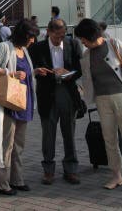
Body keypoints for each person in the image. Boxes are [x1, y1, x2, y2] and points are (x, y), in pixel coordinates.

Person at [74, 18, 122, 194]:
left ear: (91, 35)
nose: (81, 42)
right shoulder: (87, 54)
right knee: (109, 137)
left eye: (83, 38)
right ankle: (116, 175)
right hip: (102, 99)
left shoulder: (114, 44)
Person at [0, 18, 37, 196]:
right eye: (31, 37)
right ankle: (0, 183)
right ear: (24, 35)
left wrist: (34, 72)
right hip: (8, 103)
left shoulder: (24, 50)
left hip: (23, 102)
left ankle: (17, 179)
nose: (33, 40)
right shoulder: (5, 47)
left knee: (18, 145)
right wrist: (11, 73)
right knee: (5, 144)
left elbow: (26, 73)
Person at [29, 18, 83, 185]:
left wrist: (68, 73)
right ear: (49, 33)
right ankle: (48, 171)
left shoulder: (72, 44)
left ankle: (71, 169)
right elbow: (31, 69)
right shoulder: (38, 48)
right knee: (48, 134)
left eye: (62, 35)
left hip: (67, 91)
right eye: (57, 36)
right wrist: (38, 72)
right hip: (47, 93)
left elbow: (80, 70)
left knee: (69, 132)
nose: (60, 39)